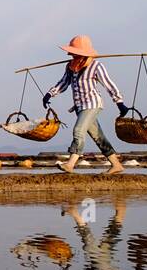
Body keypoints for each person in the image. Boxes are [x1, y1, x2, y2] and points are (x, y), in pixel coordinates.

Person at [42, 34, 128, 175]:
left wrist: (120, 103)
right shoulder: (70, 67)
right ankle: (116, 165)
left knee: (78, 131)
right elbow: (63, 82)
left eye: (76, 54)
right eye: (73, 54)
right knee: (98, 136)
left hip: (93, 104)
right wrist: (49, 94)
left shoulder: (96, 66)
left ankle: (70, 164)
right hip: (80, 107)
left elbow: (109, 85)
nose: (73, 56)